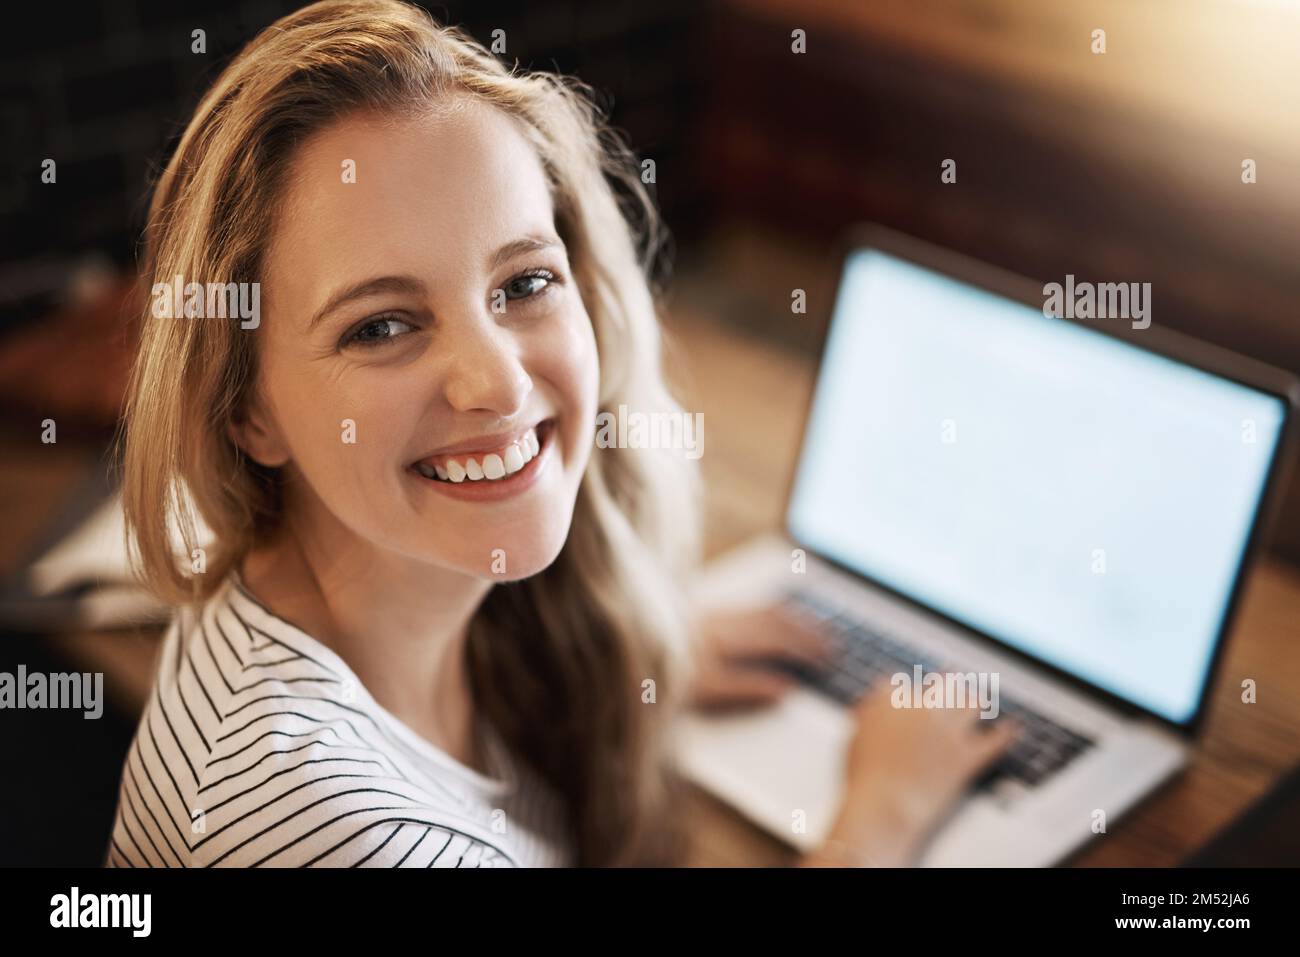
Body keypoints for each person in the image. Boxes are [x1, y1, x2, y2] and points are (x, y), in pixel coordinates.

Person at [104, 0, 1016, 868]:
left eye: (524, 284)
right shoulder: (330, 831)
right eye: (381, 326)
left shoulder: (391, 596)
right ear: (246, 413)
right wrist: (881, 815)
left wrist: (631, 660)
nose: (496, 380)